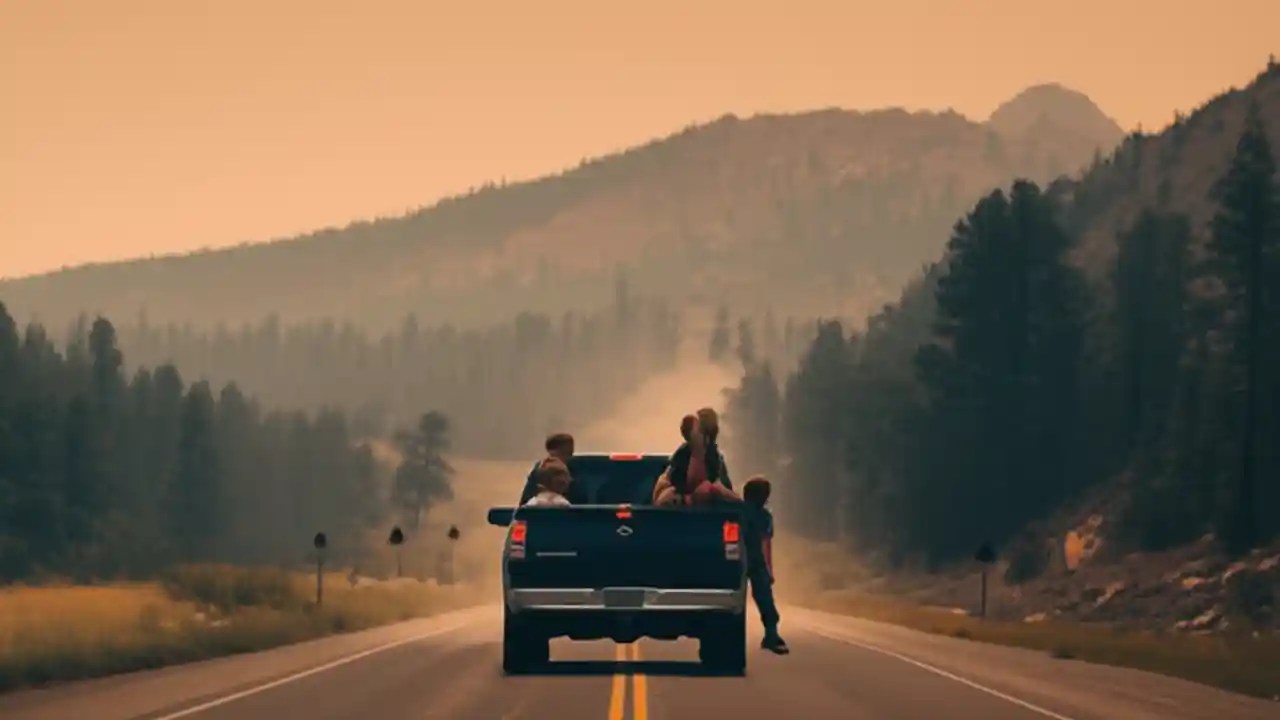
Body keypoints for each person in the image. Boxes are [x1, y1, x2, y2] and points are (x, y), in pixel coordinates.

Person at [743, 475, 788, 654]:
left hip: (734, 558)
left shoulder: (738, 510)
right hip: (755, 560)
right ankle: (771, 634)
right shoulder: (764, 517)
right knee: (764, 596)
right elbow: (765, 544)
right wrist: (769, 570)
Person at [664, 414, 740, 505]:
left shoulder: (712, 453)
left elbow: (719, 481)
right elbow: (675, 482)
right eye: (699, 430)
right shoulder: (682, 454)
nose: (703, 432)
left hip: (710, 502)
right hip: (685, 501)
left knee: (714, 488)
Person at [521, 432, 586, 505]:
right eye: (563, 453)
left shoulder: (576, 469)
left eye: (569, 454)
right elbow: (525, 501)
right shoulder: (540, 470)